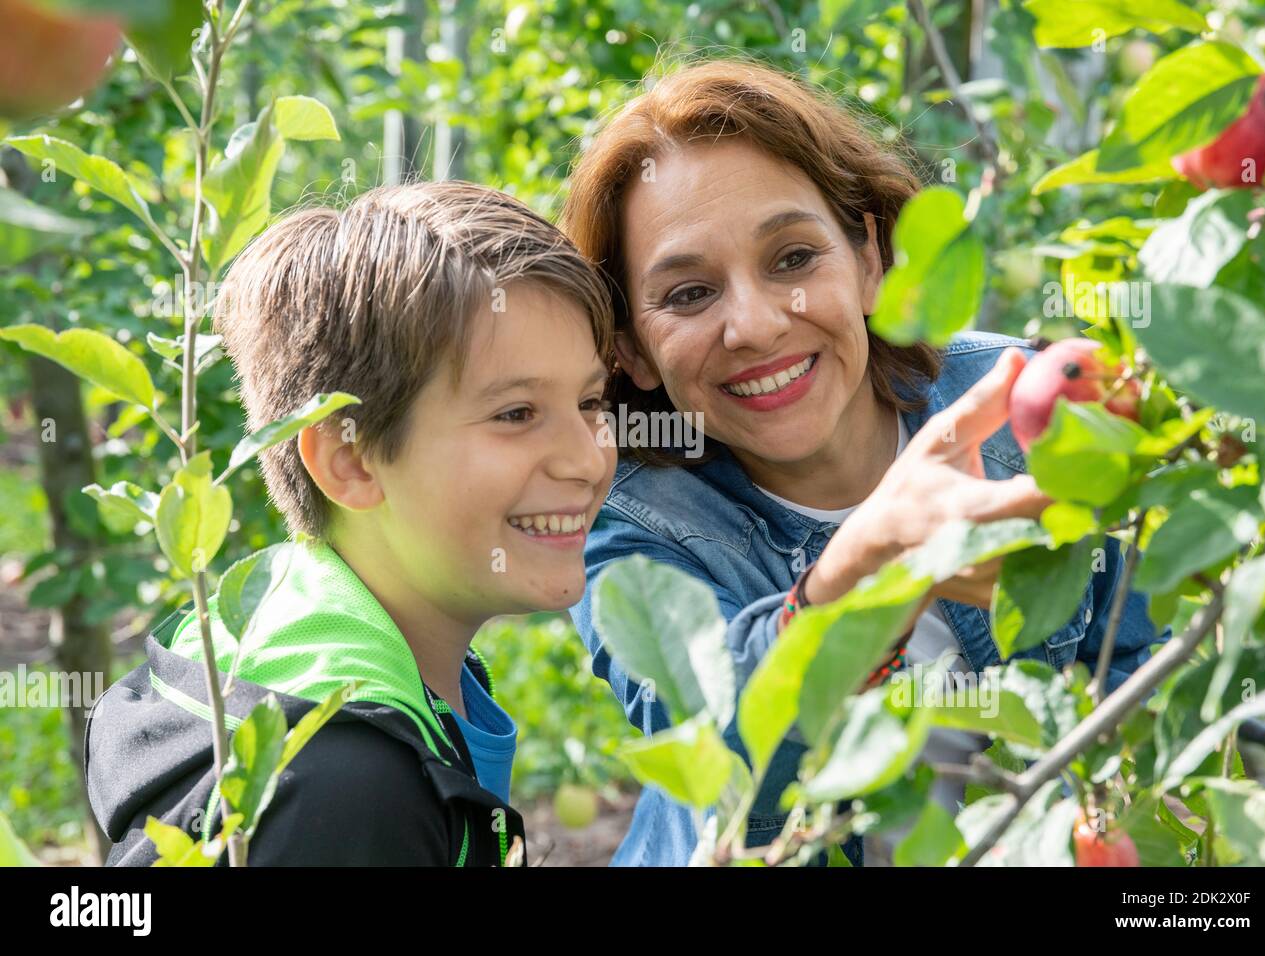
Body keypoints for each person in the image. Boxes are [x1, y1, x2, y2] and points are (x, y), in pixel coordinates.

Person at [562, 58, 1170, 866]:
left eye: (792, 258)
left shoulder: (1022, 403)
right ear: (631, 350)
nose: (755, 325)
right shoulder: (626, 524)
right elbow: (731, 764)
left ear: (871, 260)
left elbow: (1148, 682)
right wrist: (873, 563)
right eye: (688, 294)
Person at [86, 181, 617, 865]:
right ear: (350, 463)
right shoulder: (351, 790)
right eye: (516, 414)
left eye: (591, 401)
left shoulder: (270, 633)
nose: (586, 458)